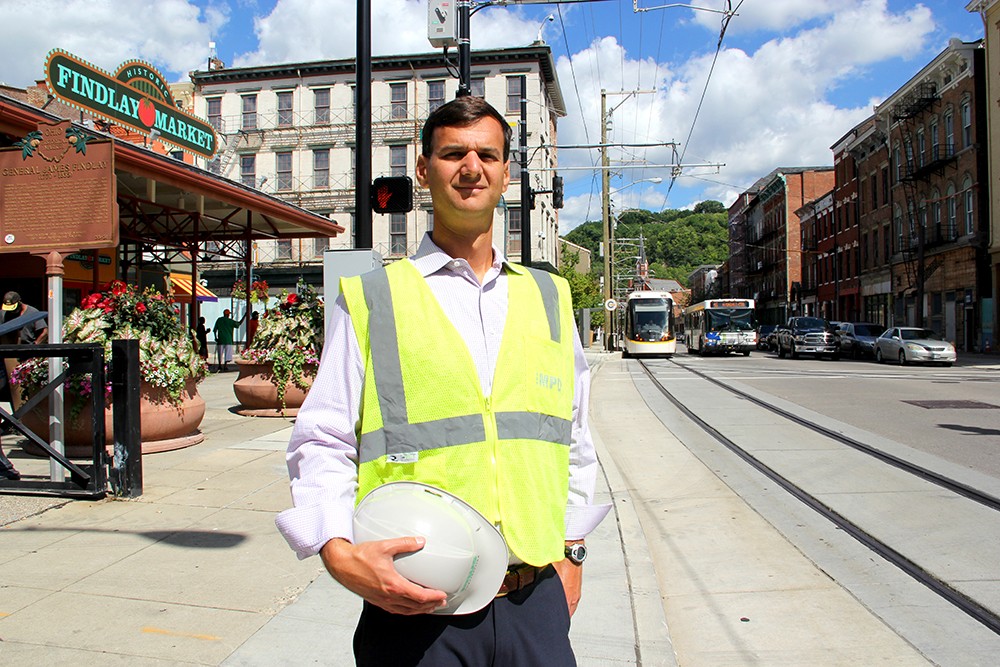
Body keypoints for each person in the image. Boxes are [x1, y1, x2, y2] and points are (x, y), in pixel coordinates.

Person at [275, 96, 609, 666]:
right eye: (453, 153)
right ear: (425, 170)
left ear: (506, 173)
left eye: (487, 154)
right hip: (416, 607)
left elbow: (573, 441)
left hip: (536, 600)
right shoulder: (373, 297)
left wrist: (572, 553)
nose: (471, 167)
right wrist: (335, 550)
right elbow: (322, 440)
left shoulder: (549, 296)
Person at [0, 291, 47, 481]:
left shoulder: (32, 313)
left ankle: (20, 420)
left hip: (26, 354)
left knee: (21, 393)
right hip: (6, 356)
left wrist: (35, 347)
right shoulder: (3, 313)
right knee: (8, 390)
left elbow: (43, 331)